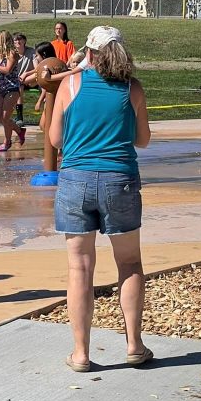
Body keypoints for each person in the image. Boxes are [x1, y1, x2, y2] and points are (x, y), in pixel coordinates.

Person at [49, 25, 152, 373]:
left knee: (79, 266)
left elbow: (55, 139)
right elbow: (143, 140)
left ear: (89, 54)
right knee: (129, 263)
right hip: (119, 180)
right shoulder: (131, 89)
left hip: (75, 180)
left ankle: (80, 353)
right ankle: (134, 345)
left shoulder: (70, 84)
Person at [0, 32, 26, 152]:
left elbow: (7, 70)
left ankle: (7, 142)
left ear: (2, 42)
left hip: (12, 88)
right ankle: (19, 131)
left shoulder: (12, 54)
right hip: (1, 88)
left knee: (5, 117)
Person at [13, 33, 36, 127]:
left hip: (31, 79)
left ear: (24, 41)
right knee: (19, 86)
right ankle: (19, 117)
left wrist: (26, 73)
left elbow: (37, 68)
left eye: (20, 39)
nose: (18, 42)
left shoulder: (32, 52)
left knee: (36, 76)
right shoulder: (12, 54)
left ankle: (19, 118)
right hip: (17, 81)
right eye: (15, 40)